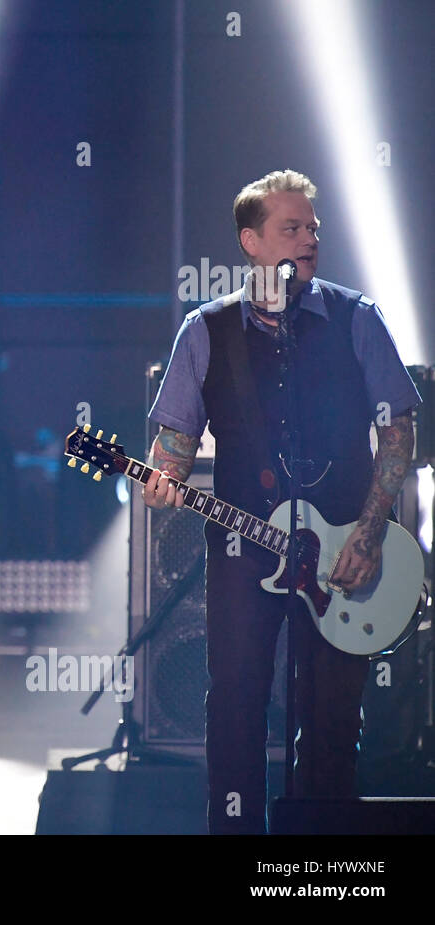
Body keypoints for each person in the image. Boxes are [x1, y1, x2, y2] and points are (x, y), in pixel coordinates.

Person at [145, 169, 419, 834]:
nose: (309, 239)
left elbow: (399, 431)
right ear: (251, 241)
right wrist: (161, 479)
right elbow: (174, 448)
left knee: (330, 717)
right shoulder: (206, 330)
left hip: (348, 549)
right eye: (291, 228)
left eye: (313, 228)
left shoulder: (357, 317)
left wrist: (370, 533)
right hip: (245, 551)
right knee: (234, 706)